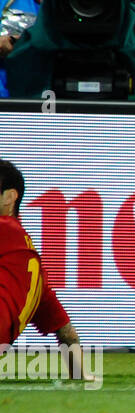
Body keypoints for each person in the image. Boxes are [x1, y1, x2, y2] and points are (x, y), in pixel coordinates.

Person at [0, 159, 87, 375]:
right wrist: (80, 374)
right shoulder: (34, 272)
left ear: (10, 197)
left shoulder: (4, 228)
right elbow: (67, 332)